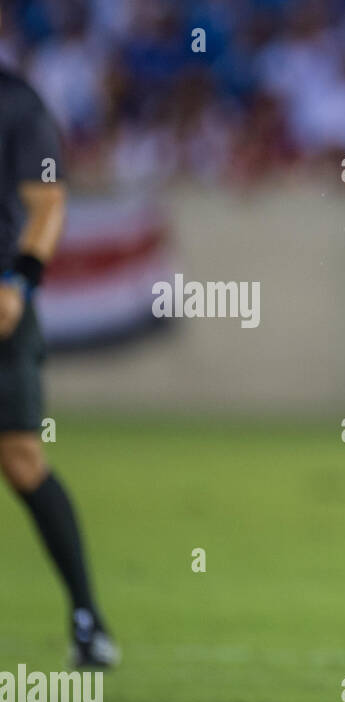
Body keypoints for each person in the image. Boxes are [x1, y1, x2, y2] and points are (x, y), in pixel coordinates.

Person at [0, 27, 117, 669]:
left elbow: (47, 203)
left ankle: (87, 620)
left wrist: (19, 281)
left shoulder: (17, 103)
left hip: (2, 303)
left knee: (20, 458)